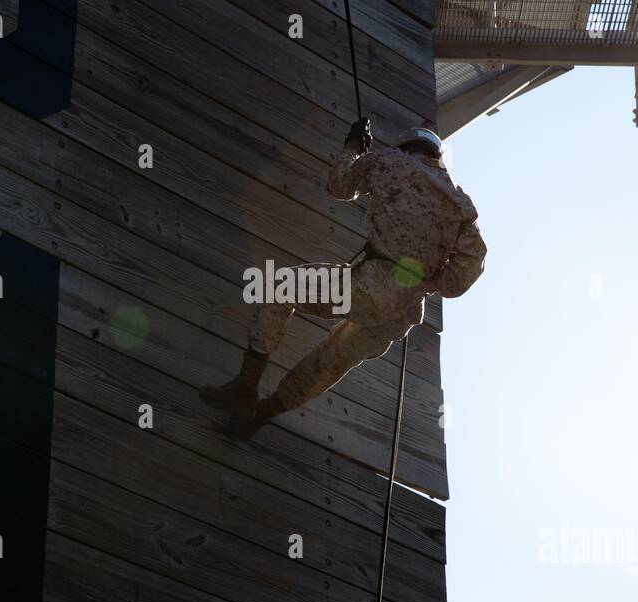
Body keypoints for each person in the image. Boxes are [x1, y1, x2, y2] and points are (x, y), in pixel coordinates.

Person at [201, 117, 487, 438]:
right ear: (438, 157)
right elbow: (468, 270)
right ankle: (259, 417)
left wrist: (353, 147)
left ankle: (245, 387)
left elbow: (339, 185)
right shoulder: (462, 205)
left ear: (406, 148)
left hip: (368, 287)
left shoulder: (392, 161)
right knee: (330, 362)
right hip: (400, 317)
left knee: (281, 288)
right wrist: (428, 282)